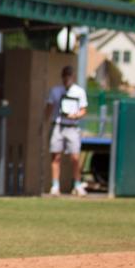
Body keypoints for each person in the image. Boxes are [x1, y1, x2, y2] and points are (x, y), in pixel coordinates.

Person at [43, 65, 88, 197]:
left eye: (69, 75)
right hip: (58, 125)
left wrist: (76, 115)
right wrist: (45, 123)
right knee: (56, 156)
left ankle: (77, 185)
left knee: (75, 157)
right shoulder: (55, 91)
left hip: (72, 126)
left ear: (73, 77)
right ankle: (55, 185)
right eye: (65, 75)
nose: (66, 78)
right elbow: (49, 108)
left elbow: (84, 110)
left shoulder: (79, 92)